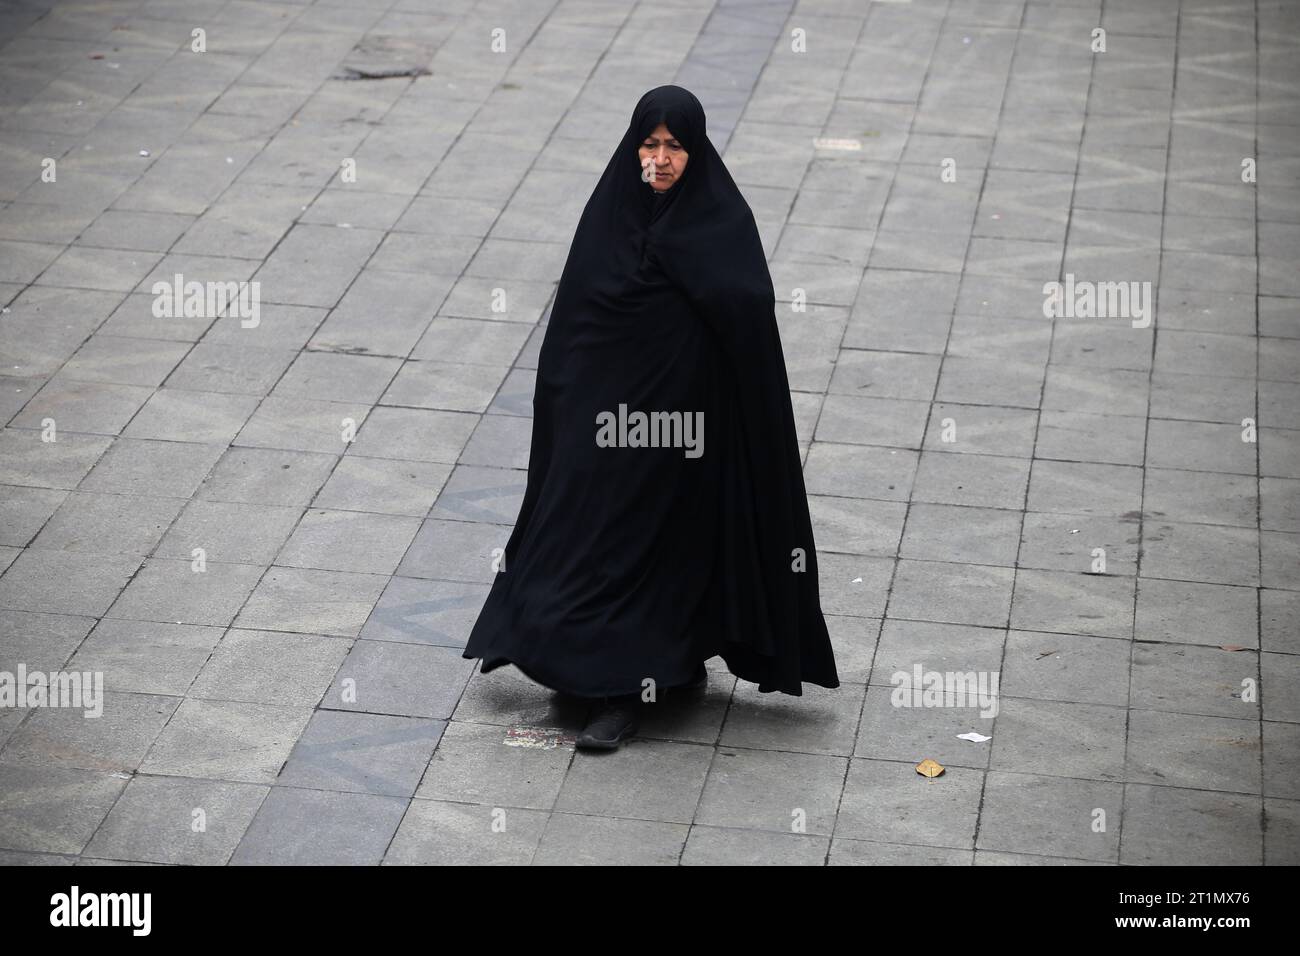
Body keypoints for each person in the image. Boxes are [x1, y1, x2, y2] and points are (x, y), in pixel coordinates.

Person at [461, 85, 839, 749]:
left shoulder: (719, 225)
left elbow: (746, 315)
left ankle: (622, 689)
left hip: (681, 436)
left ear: (695, 153)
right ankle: (596, 666)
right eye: (649, 144)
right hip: (602, 425)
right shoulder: (610, 216)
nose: (659, 159)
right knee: (581, 534)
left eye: (674, 147)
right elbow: (575, 327)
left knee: (650, 548)